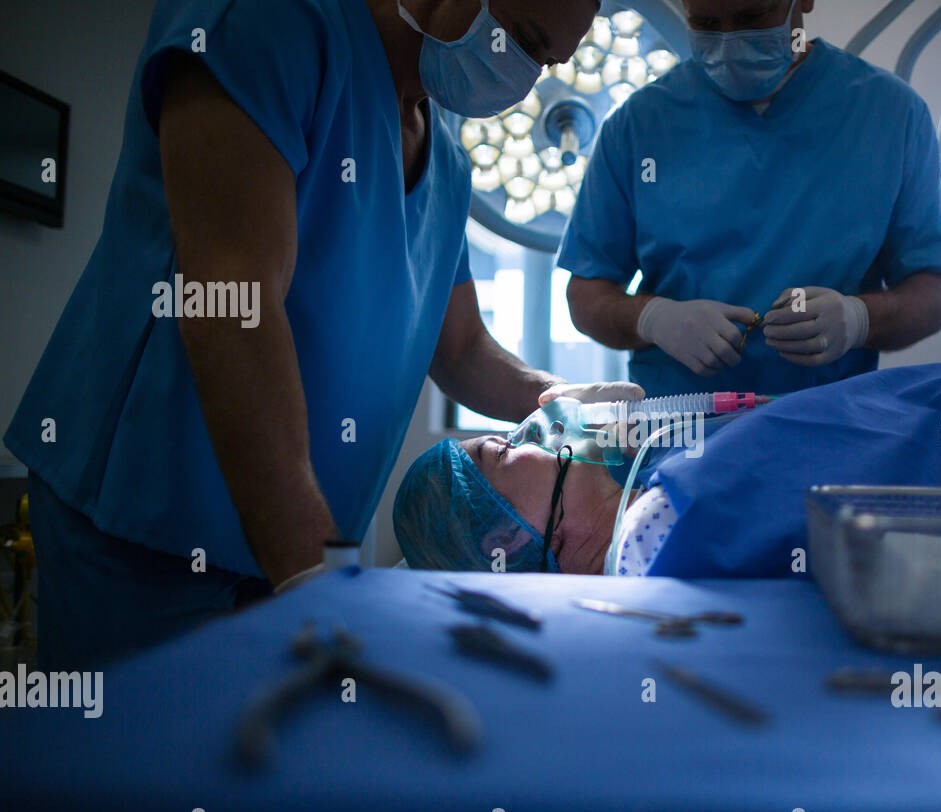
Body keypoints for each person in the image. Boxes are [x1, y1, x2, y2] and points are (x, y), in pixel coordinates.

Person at [2, 0, 634, 668]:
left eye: (550, 62)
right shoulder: (268, 22)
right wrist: (309, 575)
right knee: (135, 760)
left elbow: (462, 350)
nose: (529, 80)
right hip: (144, 526)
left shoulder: (445, 162)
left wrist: (561, 396)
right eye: (529, 43)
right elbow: (229, 305)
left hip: (285, 549)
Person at [393, 364, 941, 578]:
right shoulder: (660, 528)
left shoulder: (664, 474)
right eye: (499, 449)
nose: (532, 433)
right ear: (504, 543)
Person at [555, 0, 941, 398]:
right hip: (678, 436)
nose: (731, 40)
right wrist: (652, 318)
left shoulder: (891, 114)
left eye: (753, 16)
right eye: (707, 24)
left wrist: (860, 319)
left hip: (831, 429)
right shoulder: (638, 125)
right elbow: (587, 294)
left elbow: (933, 290)